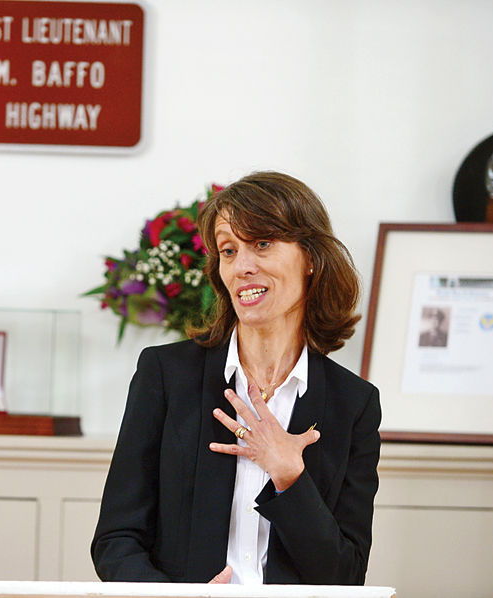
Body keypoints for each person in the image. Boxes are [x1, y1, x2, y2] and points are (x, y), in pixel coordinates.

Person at [91, 171, 381, 585]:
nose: (242, 266)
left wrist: (289, 477)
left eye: (262, 244)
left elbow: (345, 576)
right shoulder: (165, 376)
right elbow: (115, 540)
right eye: (229, 250)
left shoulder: (354, 403)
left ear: (312, 258)